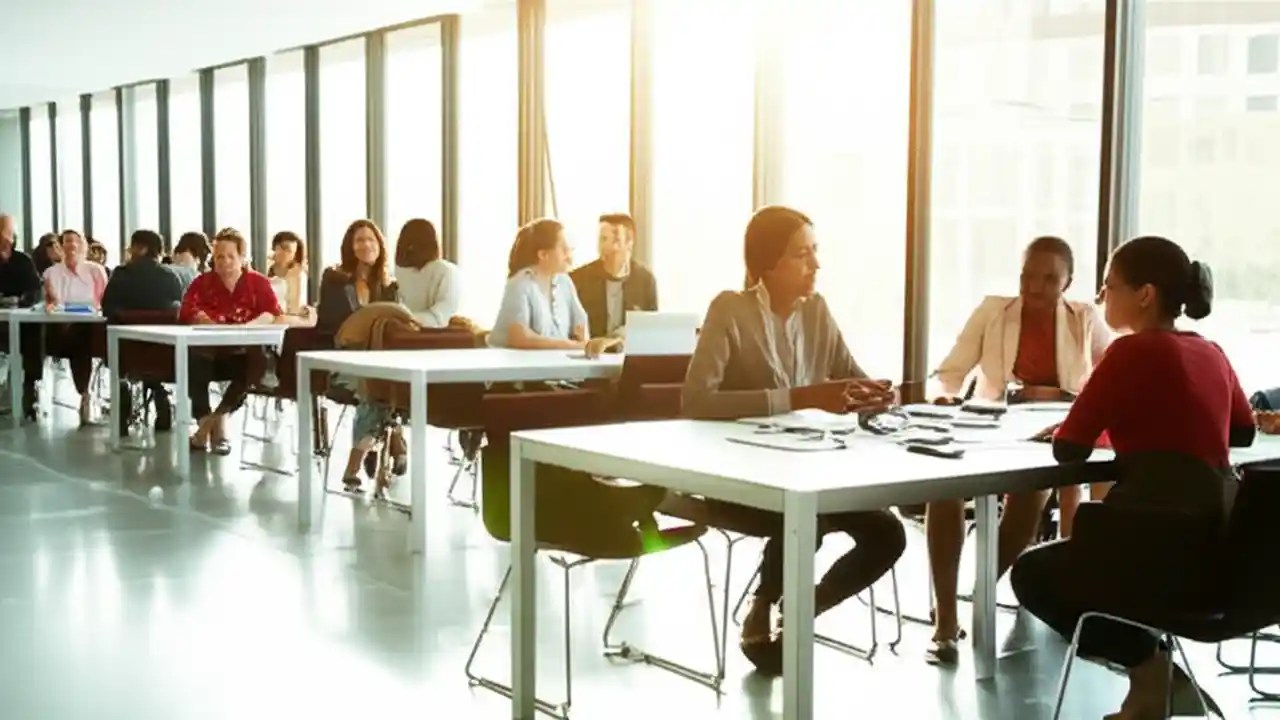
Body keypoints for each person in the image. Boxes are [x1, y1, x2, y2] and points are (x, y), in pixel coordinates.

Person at [1011, 236, 1255, 719]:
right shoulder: (1211, 352)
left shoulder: (1127, 354)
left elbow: (1068, 448)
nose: (1102, 300)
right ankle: (1152, 689)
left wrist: (1104, 424)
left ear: (1144, 294)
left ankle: (1150, 672)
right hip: (1217, 556)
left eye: (1108, 287)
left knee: (1033, 576)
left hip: (1151, 553)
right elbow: (1243, 432)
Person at [680, 205, 907, 675]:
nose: (815, 265)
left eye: (815, 252)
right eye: (802, 255)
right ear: (768, 263)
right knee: (808, 511)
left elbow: (851, 375)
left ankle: (803, 609)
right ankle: (764, 600)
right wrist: (799, 397)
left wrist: (881, 394)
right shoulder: (731, 308)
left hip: (809, 466)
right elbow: (696, 402)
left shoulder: (818, 311)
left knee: (889, 532)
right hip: (739, 474)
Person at [924, 236, 1112, 665]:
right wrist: (943, 397)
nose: (1035, 286)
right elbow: (950, 371)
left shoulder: (1084, 318)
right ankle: (945, 619)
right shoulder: (994, 311)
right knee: (944, 487)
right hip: (990, 425)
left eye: (1049, 278)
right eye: (1028, 275)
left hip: (1050, 436)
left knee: (1028, 504)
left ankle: (978, 592)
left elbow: (1109, 377)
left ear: (1067, 282)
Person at [179, 228, 287, 455]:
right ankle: (206, 422)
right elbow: (187, 310)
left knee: (253, 367)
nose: (225, 262)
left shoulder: (257, 283)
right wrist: (202, 319)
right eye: (219, 256)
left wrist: (247, 328)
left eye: (231, 256)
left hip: (242, 354)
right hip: (207, 353)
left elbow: (271, 312)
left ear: (242, 258)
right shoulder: (202, 282)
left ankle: (213, 423)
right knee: (191, 361)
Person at [316, 219, 402, 490]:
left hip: (381, 362)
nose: (366, 245)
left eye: (371, 240)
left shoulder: (391, 287)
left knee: (384, 387)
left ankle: (367, 453)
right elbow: (327, 324)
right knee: (376, 389)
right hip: (343, 362)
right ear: (350, 247)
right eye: (359, 240)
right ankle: (392, 443)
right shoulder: (334, 280)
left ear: (380, 247)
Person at [489, 218, 618, 357]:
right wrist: (573, 346)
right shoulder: (520, 284)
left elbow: (580, 326)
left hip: (555, 369)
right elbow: (519, 338)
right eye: (564, 250)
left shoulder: (564, 282)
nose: (570, 257)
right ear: (543, 255)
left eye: (570, 249)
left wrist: (585, 344)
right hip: (519, 374)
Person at [101, 230, 185, 433]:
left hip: (125, 349)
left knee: (124, 353)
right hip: (163, 351)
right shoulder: (170, 277)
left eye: (132, 247)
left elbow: (107, 309)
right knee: (150, 362)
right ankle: (158, 390)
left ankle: (124, 402)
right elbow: (179, 309)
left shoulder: (121, 275)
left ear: (142, 248)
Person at [37, 229, 109, 424]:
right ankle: (84, 394)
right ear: (60, 247)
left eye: (76, 241)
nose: (72, 246)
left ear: (84, 246)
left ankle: (85, 394)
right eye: (67, 242)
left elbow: (104, 303)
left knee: (82, 335)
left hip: (89, 330)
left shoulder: (96, 271)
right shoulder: (51, 273)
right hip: (58, 331)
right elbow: (52, 303)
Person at [569, 212, 658, 338]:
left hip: (630, 353)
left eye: (612, 240)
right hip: (590, 353)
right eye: (601, 239)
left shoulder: (645, 280)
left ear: (629, 241)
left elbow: (651, 327)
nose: (603, 247)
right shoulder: (578, 279)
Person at [394, 218, 460, 328]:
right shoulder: (448, 271)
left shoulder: (445, 271)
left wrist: (405, 322)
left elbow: (443, 315)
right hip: (420, 336)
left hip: (430, 336)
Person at [267, 231, 312, 319]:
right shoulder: (267, 268)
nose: (284, 253)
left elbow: (294, 307)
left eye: (289, 251)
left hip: (286, 320)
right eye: (282, 247)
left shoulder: (298, 274)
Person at [0, 214, 41, 307]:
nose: (5, 239)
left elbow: (35, 290)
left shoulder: (23, 260)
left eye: (8, 235)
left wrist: (21, 301)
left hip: (20, 313)